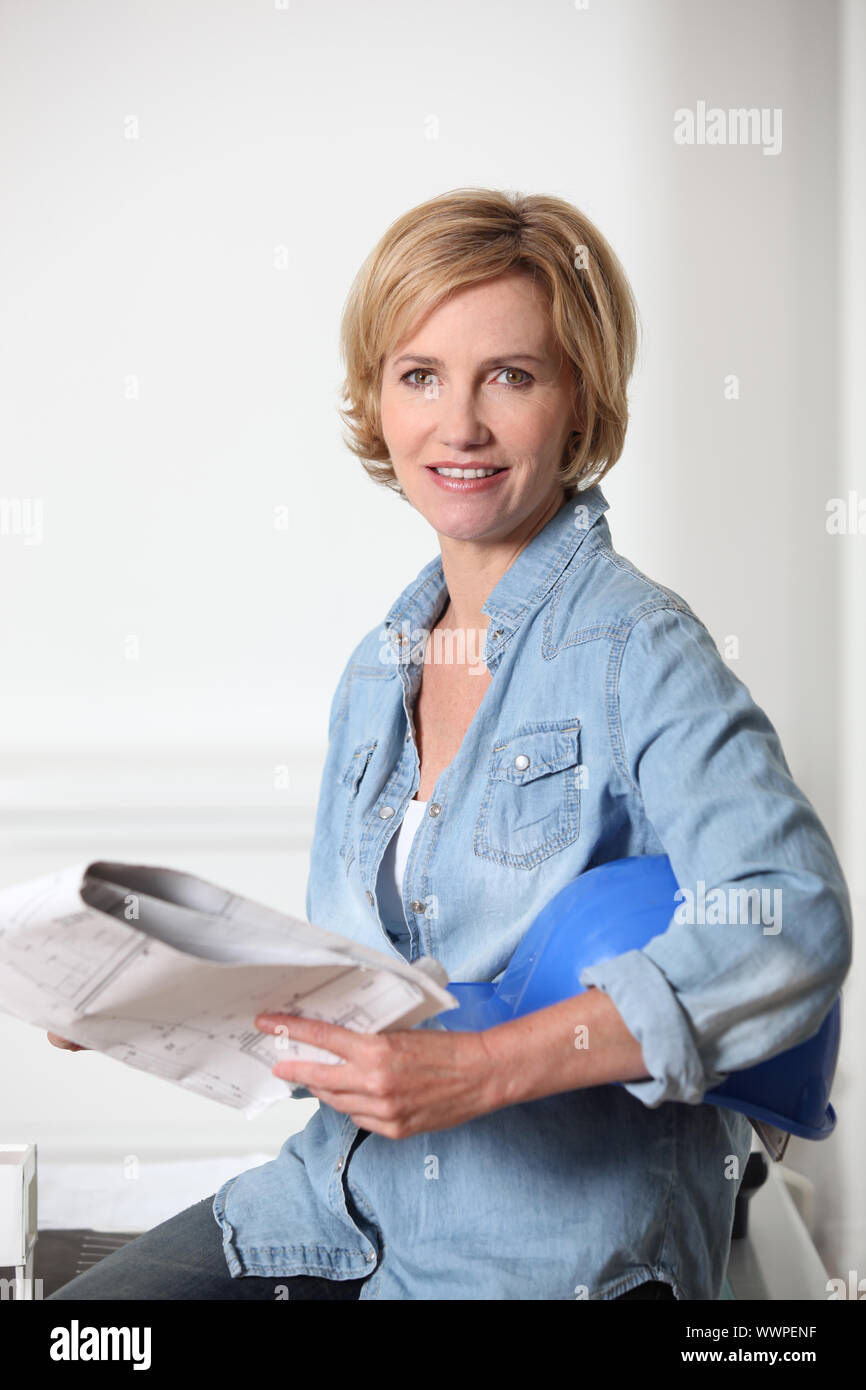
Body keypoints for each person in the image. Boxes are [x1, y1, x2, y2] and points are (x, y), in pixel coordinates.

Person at [47, 187, 852, 1301]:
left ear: (578, 405)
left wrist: (473, 1073)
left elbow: (791, 913)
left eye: (509, 377)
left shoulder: (638, 649)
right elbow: (365, 1002)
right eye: (418, 374)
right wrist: (148, 1007)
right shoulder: (379, 666)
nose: (457, 424)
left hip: (546, 1253)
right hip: (330, 1209)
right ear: (376, 403)